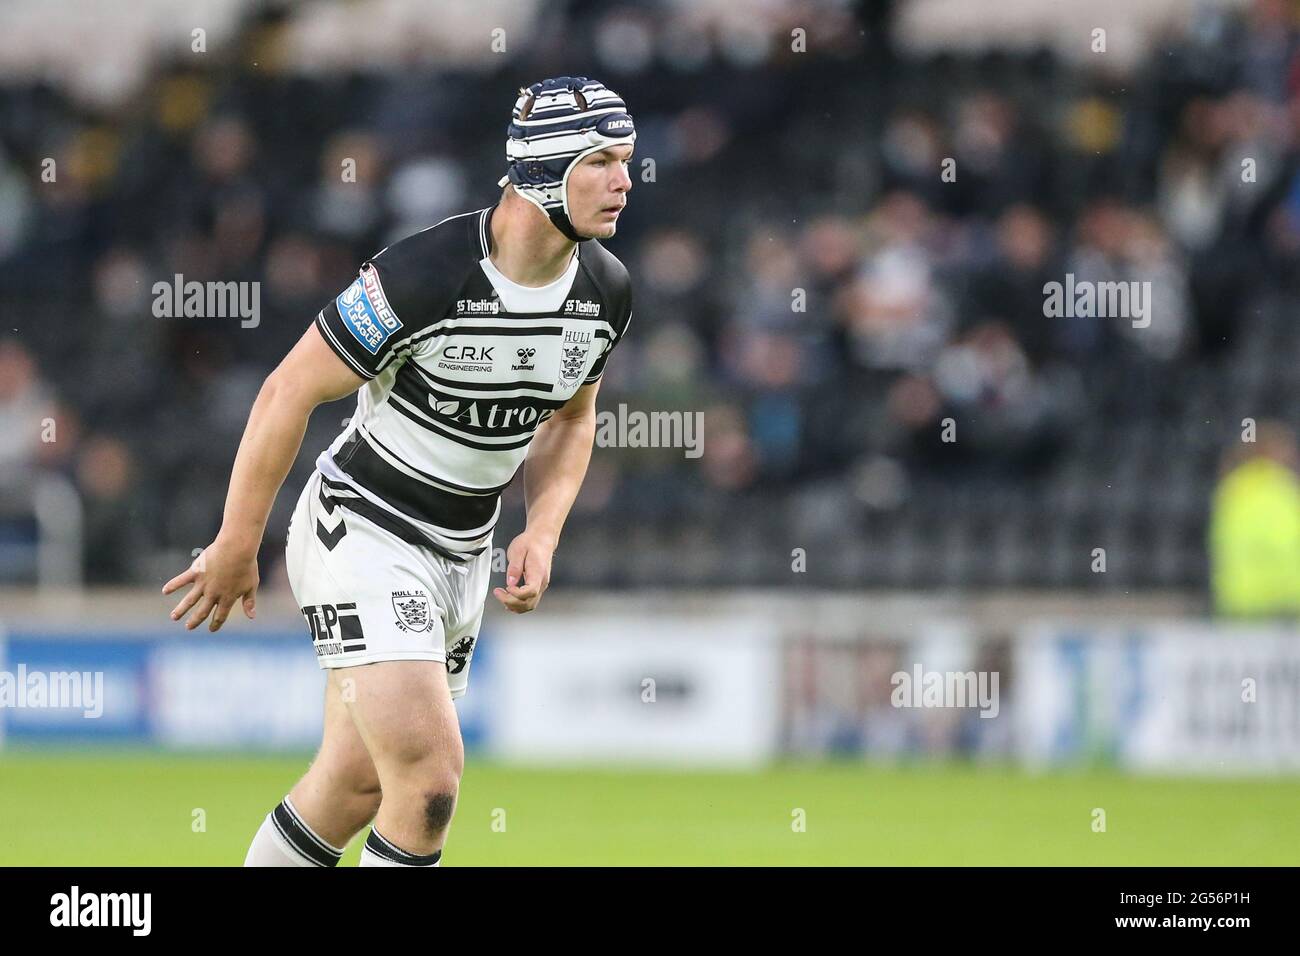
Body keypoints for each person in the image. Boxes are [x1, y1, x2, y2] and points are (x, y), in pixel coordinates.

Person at [162, 76, 636, 867]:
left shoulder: (606, 292)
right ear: (545, 170)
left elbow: (573, 416)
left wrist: (543, 531)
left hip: (462, 553)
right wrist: (238, 540)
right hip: (366, 528)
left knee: (352, 787)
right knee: (429, 783)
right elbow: (289, 390)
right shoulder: (425, 272)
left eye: (627, 160)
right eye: (602, 161)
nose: (625, 181)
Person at [1208, 419, 1300, 620]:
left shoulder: (1232, 487)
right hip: (1281, 600)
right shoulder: (1280, 486)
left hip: (1240, 601)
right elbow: (1284, 543)